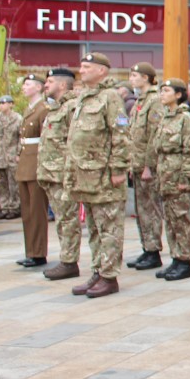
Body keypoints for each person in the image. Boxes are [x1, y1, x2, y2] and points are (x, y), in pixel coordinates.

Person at [65, 53, 131, 298]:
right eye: (81, 66)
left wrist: (118, 169)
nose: (81, 70)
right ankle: (98, 271)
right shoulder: (84, 97)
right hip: (86, 177)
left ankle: (109, 276)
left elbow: (121, 134)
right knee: (93, 228)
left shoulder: (111, 97)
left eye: (87, 66)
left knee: (109, 228)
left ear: (102, 70)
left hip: (104, 177)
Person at [149, 79, 190, 281]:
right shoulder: (165, 117)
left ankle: (184, 261)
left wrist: (186, 177)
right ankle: (176, 258)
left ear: (178, 95)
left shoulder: (185, 118)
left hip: (178, 176)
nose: (162, 94)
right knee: (170, 220)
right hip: (165, 176)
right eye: (161, 90)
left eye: (167, 90)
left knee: (180, 219)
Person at [39, 69, 85, 282]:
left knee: (67, 219)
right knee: (61, 219)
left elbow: (75, 142)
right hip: (51, 174)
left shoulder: (71, 107)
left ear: (62, 85)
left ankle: (69, 262)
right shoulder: (55, 108)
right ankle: (66, 259)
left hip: (63, 174)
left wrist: (71, 172)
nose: (46, 85)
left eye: (50, 81)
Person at [126, 63, 166, 271]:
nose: (131, 79)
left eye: (135, 75)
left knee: (150, 208)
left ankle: (153, 249)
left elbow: (154, 136)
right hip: (137, 163)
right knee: (141, 209)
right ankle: (147, 247)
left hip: (148, 166)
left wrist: (149, 165)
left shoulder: (154, 101)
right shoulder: (139, 102)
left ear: (146, 77)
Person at [15, 73, 50, 267]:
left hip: (36, 163)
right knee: (27, 211)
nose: (24, 87)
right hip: (25, 164)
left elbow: (45, 139)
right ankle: (31, 251)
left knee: (37, 211)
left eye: (28, 84)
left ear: (38, 87)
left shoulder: (43, 109)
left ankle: (38, 252)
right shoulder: (29, 109)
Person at [0, 95, 22, 220]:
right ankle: (4, 208)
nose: (1, 105)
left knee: (13, 184)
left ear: (11, 104)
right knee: (1, 184)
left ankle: (15, 208)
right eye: (0, 103)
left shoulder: (17, 119)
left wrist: (19, 153)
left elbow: (21, 137)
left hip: (11, 156)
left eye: (4, 103)